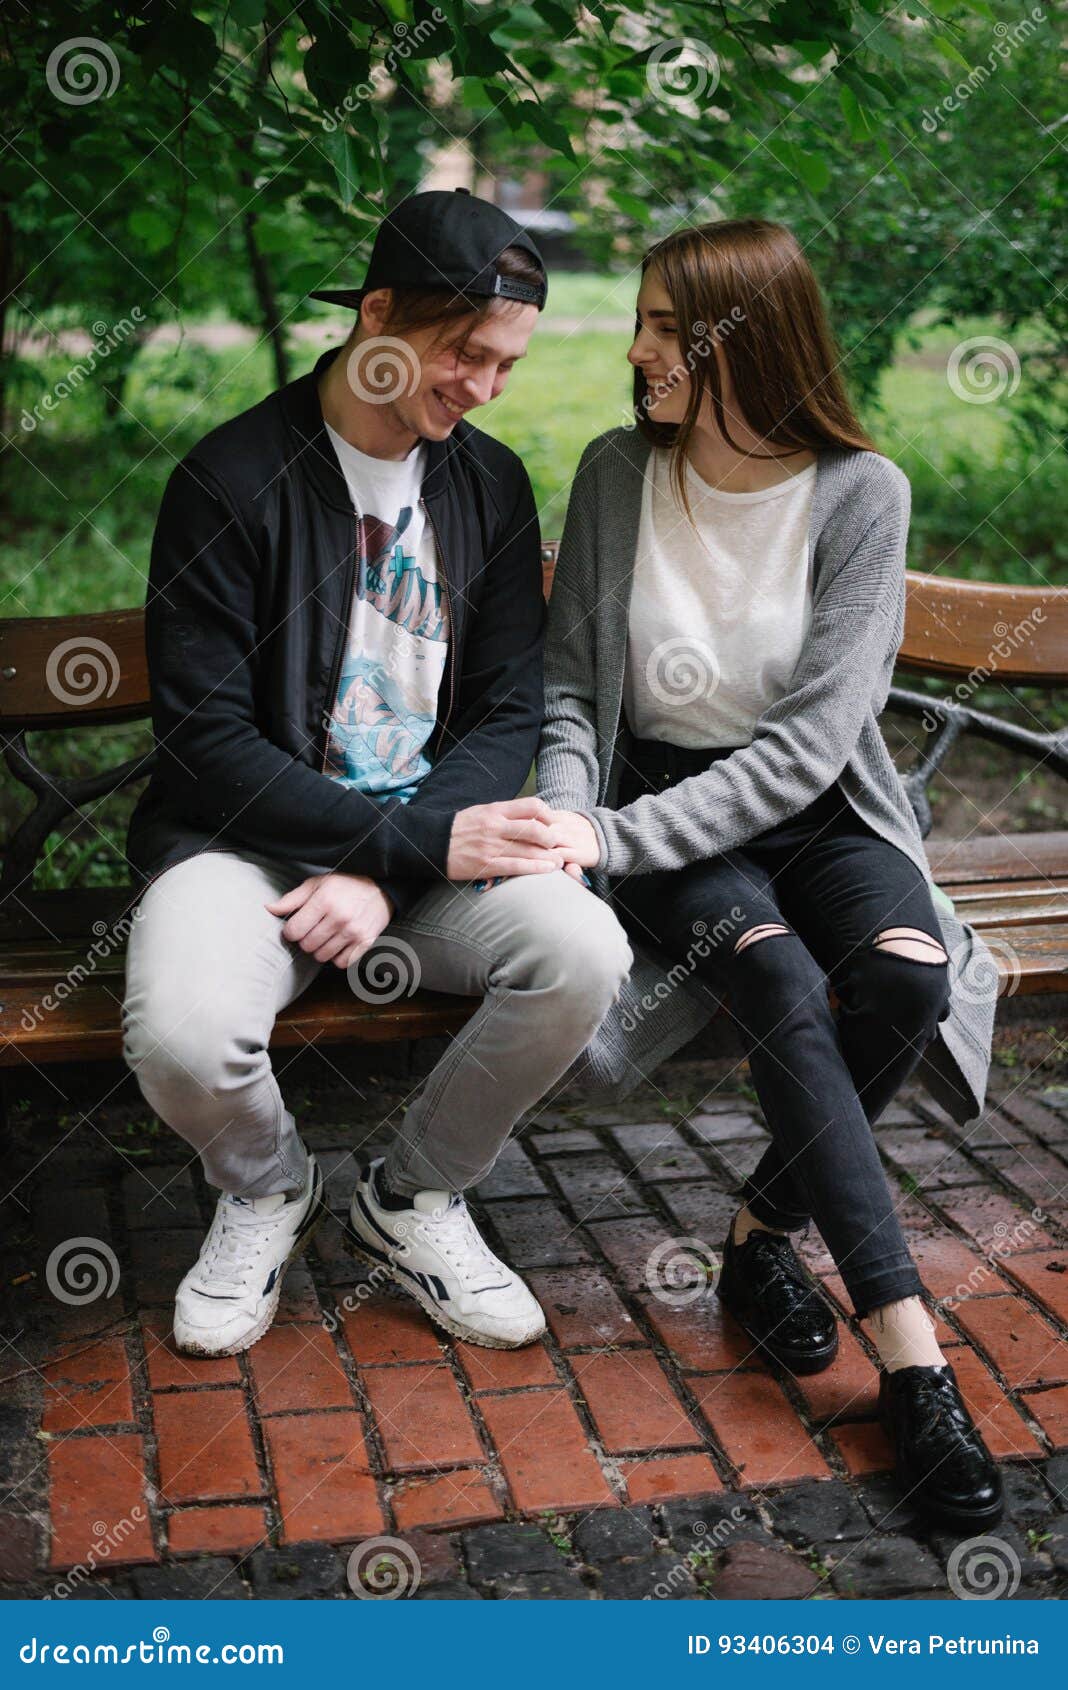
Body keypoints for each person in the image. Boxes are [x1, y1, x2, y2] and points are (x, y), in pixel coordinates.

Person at [534, 218, 1003, 1530]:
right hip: (671, 811)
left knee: (908, 980)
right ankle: (916, 1364)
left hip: (818, 810)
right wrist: (585, 827)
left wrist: (609, 844)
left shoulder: (862, 493)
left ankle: (756, 1242)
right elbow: (573, 691)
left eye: (666, 329)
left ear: (746, 341)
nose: (637, 351)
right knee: (776, 977)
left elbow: (806, 752)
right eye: (642, 322)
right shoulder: (619, 471)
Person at [120, 188, 633, 1362]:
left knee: (584, 952)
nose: (483, 387)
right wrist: (386, 850)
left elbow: (510, 708)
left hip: (426, 845)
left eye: (505, 364)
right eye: (465, 353)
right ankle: (264, 1186)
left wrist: (392, 872)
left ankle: (412, 1198)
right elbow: (207, 743)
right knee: (187, 1037)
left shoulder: (488, 485)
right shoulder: (228, 480)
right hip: (244, 846)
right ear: (381, 313)